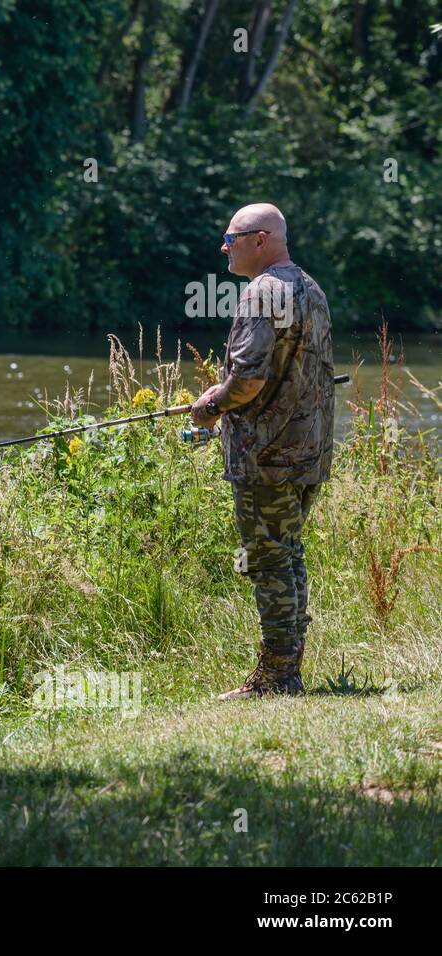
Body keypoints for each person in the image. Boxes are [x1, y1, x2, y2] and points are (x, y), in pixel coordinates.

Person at [190, 203, 336, 700]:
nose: (224, 247)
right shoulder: (310, 289)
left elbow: (249, 380)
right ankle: (286, 668)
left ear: (260, 239)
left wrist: (211, 403)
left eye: (230, 238)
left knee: (270, 561)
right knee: (287, 555)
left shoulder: (261, 292)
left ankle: (277, 676)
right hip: (308, 454)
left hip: (266, 457)